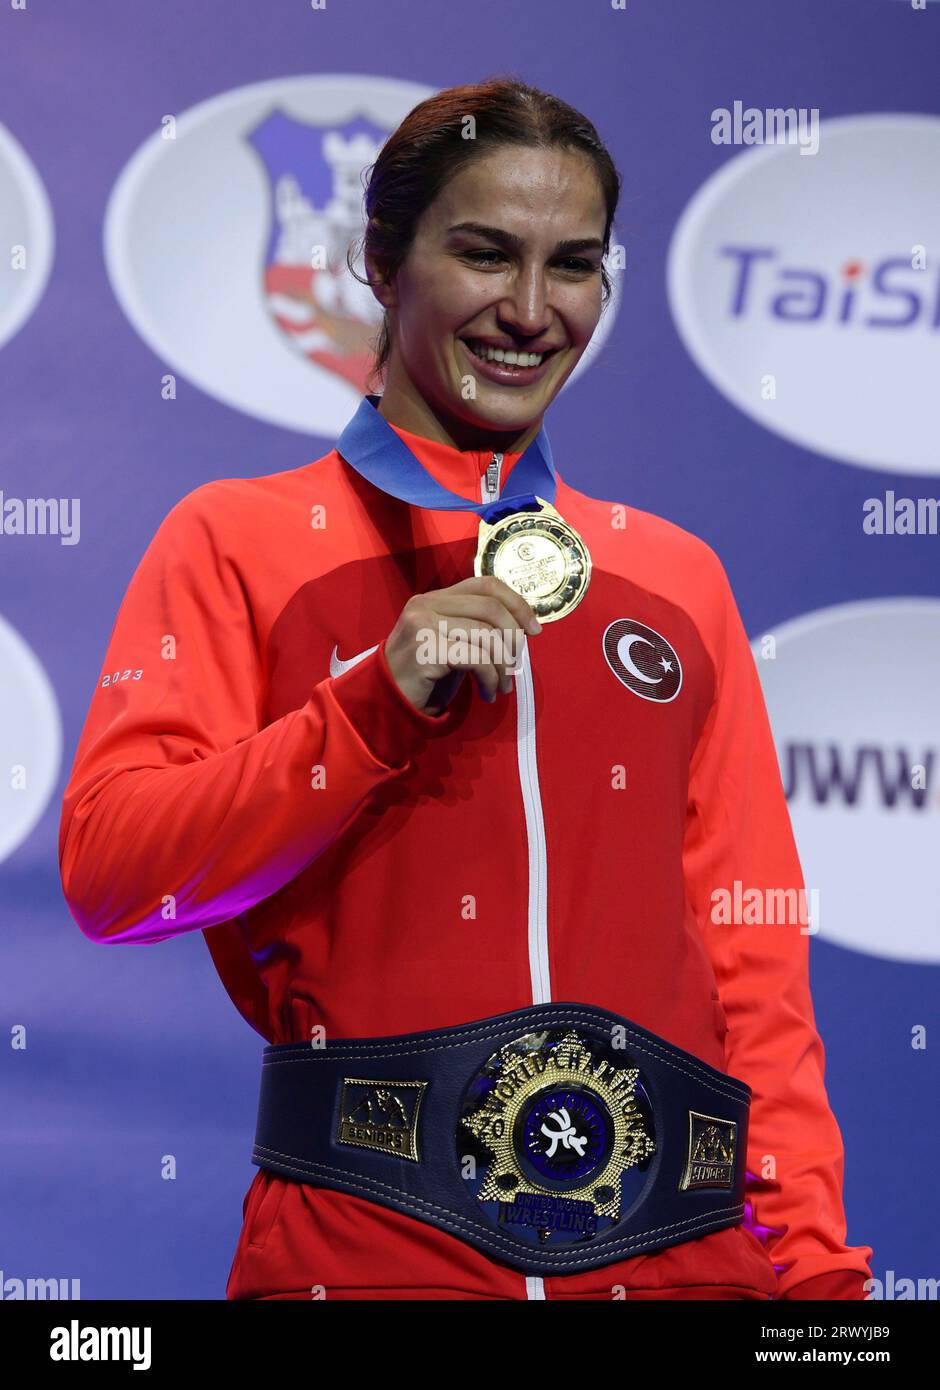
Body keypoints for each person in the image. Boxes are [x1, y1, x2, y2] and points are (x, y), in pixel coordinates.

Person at [58, 76, 873, 1301]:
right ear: (379, 264)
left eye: (575, 266)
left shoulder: (673, 577)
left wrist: (814, 1279)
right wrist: (366, 708)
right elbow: (117, 874)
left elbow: (751, 961)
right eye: (485, 254)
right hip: (371, 1259)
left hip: (683, 1270)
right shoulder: (236, 538)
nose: (532, 312)